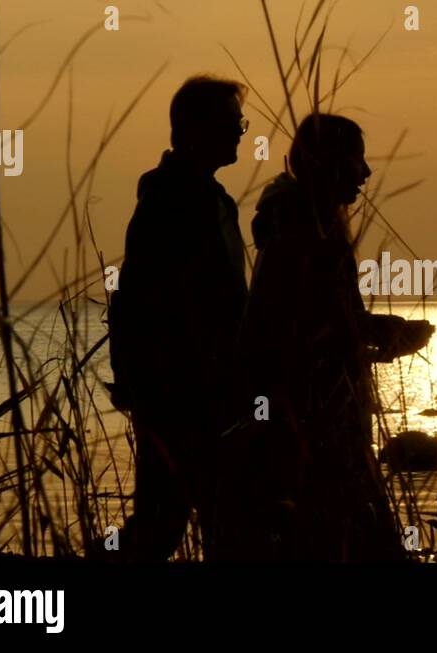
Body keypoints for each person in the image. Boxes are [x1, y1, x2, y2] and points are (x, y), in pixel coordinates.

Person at [215, 113, 433, 562]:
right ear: (329, 163)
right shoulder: (306, 228)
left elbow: (322, 322)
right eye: (357, 160)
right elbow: (310, 329)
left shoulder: (302, 221)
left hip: (313, 409)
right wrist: (386, 332)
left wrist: (383, 336)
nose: (366, 174)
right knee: (358, 533)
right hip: (315, 415)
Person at [108, 75, 249, 562]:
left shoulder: (216, 200)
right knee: (166, 516)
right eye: (232, 123)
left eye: (241, 123)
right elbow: (134, 294)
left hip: (216, 386)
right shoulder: (169, 199)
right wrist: (133, 377)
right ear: (196, 127)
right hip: (178, 387)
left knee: (209, 512)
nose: (240, 133)